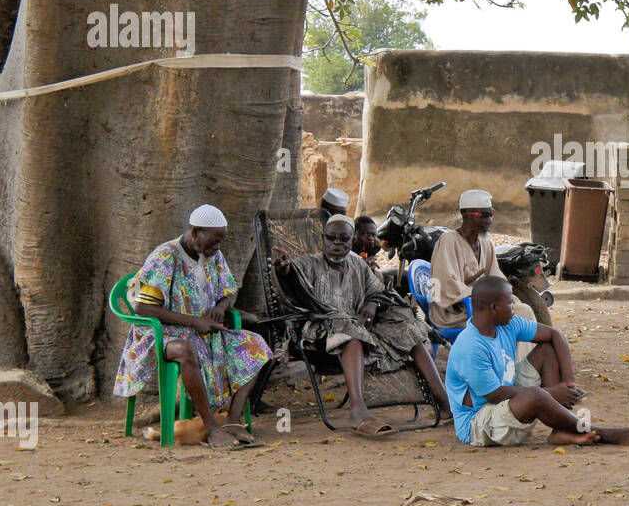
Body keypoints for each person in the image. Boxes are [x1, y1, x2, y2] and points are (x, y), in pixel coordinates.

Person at [275, 214, 450, 436]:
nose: (337, 244)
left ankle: (444, 402)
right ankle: (358, 410)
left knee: (408, 326)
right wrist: (284, 270)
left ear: (351, 241)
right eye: (331, 238)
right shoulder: (308, 263)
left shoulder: (357, 263)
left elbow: (377, 291)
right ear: (323, 238)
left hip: (361, 326)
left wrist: (371, 304)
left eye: (343, 239)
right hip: (321, 332)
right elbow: (293, 283)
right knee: (351, 332)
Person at [115, 205, 273, 449]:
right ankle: (211, 428)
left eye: (222, 239)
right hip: (161, 334)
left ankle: (232, 420)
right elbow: (142, 309)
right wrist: (194, 321)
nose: (218, 246)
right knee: (186, 350)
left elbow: (228, 291)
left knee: (255, 345)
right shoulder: (165, 257)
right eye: (214, 239)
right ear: (196, 232)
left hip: (204, 332)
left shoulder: (213, 255)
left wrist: (221, 306)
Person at [445, 276, 629, 447]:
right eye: (510, 302)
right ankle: (592, 431)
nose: (515, 306)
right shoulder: (470, 346)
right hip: (478, 422)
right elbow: (495, 395)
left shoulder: (508, 324)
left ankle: (560, 431)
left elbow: (555, 335)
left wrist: (568, 384)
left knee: (546, 350)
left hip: (508, 397)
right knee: (535, 395)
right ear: (494, 308)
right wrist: (553, 393)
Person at [429, 189, 536, 331]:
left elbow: (496, 276)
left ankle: (517, 353)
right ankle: (511, 353)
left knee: (524, 310)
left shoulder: (484, 242)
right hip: (454, 311)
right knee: (519, 314)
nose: (489, 220)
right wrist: (484, 296)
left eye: (491, 214)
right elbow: (446, 284)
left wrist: (503, 293)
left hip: (484, 305)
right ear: (465, 215)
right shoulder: (449, 240)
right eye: (483, 215)